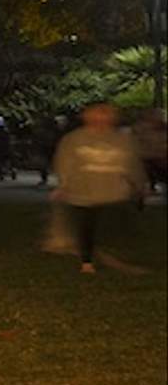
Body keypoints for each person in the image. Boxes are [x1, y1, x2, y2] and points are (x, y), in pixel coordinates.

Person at [53, 104, 150, 275]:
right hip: (84, 191)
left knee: (117, 225)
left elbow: (132, 164)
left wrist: (139, 184)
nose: (101, 122)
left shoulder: (122, 140)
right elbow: (65, 163)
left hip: (114, 191)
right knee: (87, 226)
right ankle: (87, 260)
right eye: (97, 117)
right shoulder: (74, 139)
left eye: (105, 117)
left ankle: (116, 255)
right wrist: (64, 184)